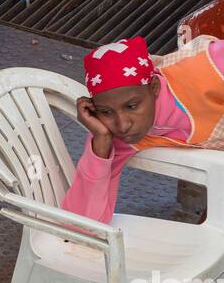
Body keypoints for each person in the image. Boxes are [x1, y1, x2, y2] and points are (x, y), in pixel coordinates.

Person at [62, 33, 224, 223]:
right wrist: (101, 139)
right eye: (106, 111)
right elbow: (82, 222)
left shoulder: (207, 65)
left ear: (154, 88)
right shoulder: (119, 137)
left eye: (132, 106)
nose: (123, 125)